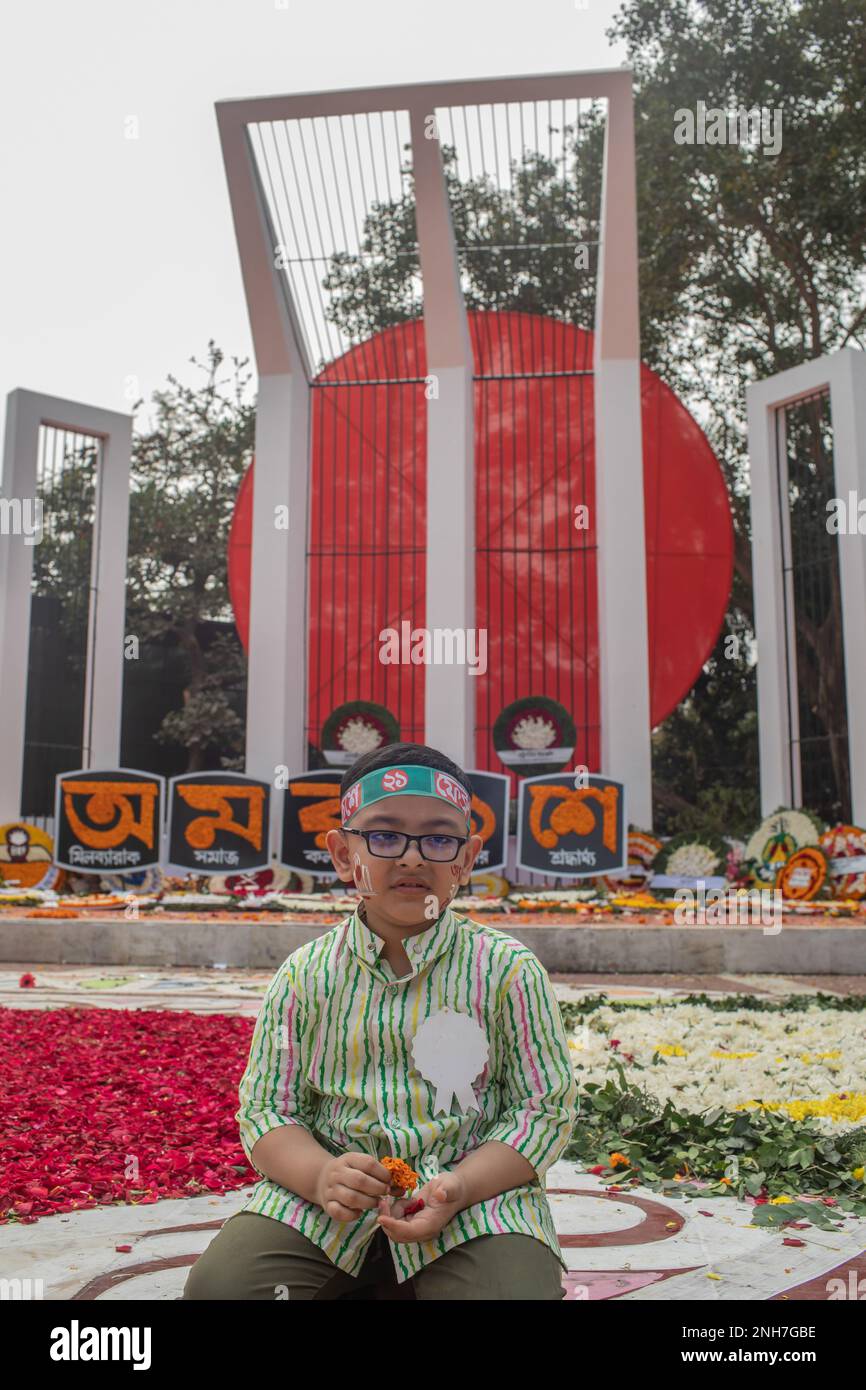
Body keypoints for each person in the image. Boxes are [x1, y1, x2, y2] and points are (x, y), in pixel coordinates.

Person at [183, 741, 579, 1300]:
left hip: (474, 1204)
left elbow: (543, 1109)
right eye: (385, 836)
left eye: (440, 839)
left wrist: (461, 1188)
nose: (412, 858)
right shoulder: (305, 974)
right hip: (327, 1204)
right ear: (344, 855)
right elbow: (268, 1109)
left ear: (466, 859)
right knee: (220, 1291)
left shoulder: (507, 971)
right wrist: (321, 1176)